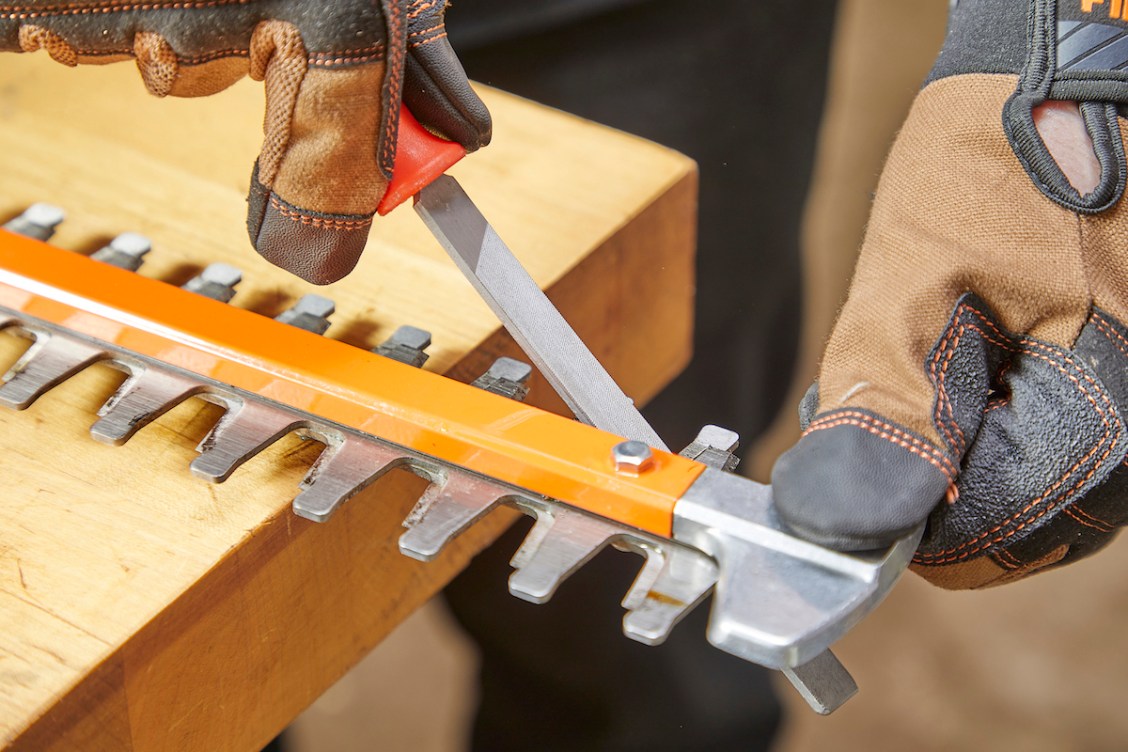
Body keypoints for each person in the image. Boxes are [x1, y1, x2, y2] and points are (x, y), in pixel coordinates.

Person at [6, 0, 1128, 746]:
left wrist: (1078, 37)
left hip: (650, 23)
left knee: (639, 684)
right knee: (169, 646)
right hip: (189, 43)